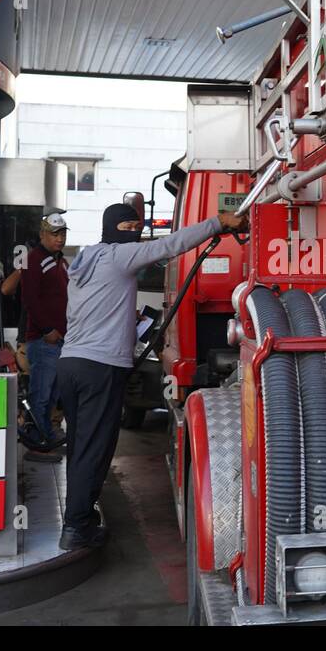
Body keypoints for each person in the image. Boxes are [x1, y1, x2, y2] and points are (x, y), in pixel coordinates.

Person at [56, 203, 247, 550]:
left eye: (137, 225)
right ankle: (76, 528)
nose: (135, 231)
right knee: (94, 449)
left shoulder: (85, 260)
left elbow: (102, 309)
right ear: (112, 226)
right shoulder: (118, 256)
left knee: (81, 446)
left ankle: (79, 516)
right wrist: (218, 222)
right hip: (99, 367)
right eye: (128, 225)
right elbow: (169, 245)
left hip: (71, 364)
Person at [21, 213, 70, 461]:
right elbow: (29, 299)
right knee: (40, 394)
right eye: (54, 234)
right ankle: (37, 444)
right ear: (42, 235)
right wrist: (47, 330)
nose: (59, 238)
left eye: (62, 234)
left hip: (58, 340)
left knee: (50, 395)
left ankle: (46, 438)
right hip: (44, 341)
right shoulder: (34, 259)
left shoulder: (60, 261)